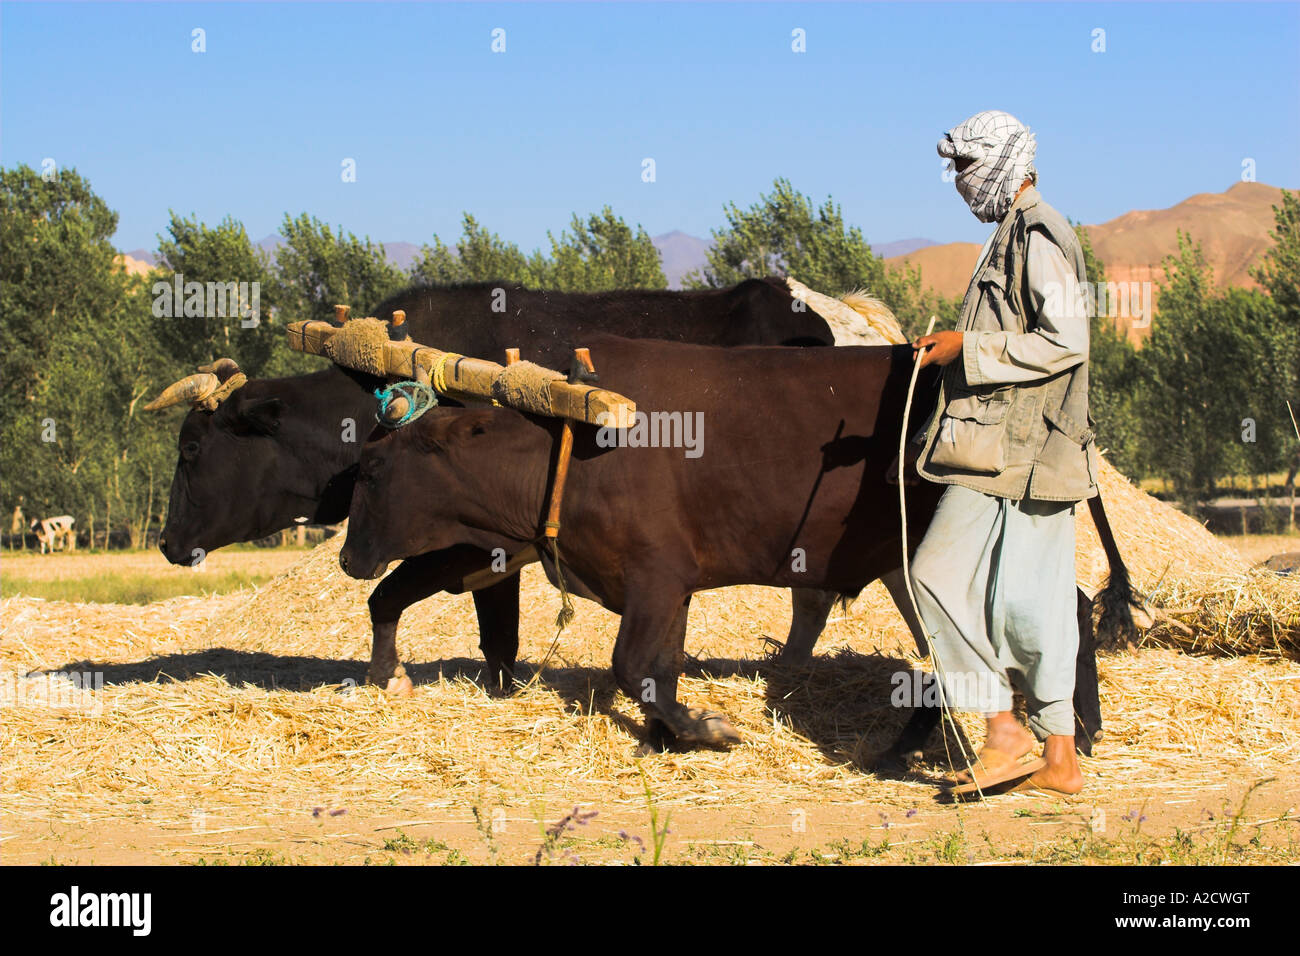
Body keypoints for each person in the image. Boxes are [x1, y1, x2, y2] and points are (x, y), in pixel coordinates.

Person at [893, 110, 1098, 796]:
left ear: (1005, 163)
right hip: (1030, 449)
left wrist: (965, 349)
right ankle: (1061, 760)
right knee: (1037, 605)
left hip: (1014, 451)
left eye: (967, 168)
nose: (958, 183)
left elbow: (1067, 339)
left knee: (933, 575)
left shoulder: (1036, 235)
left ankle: (1004, 732)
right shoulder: (1018, 233)